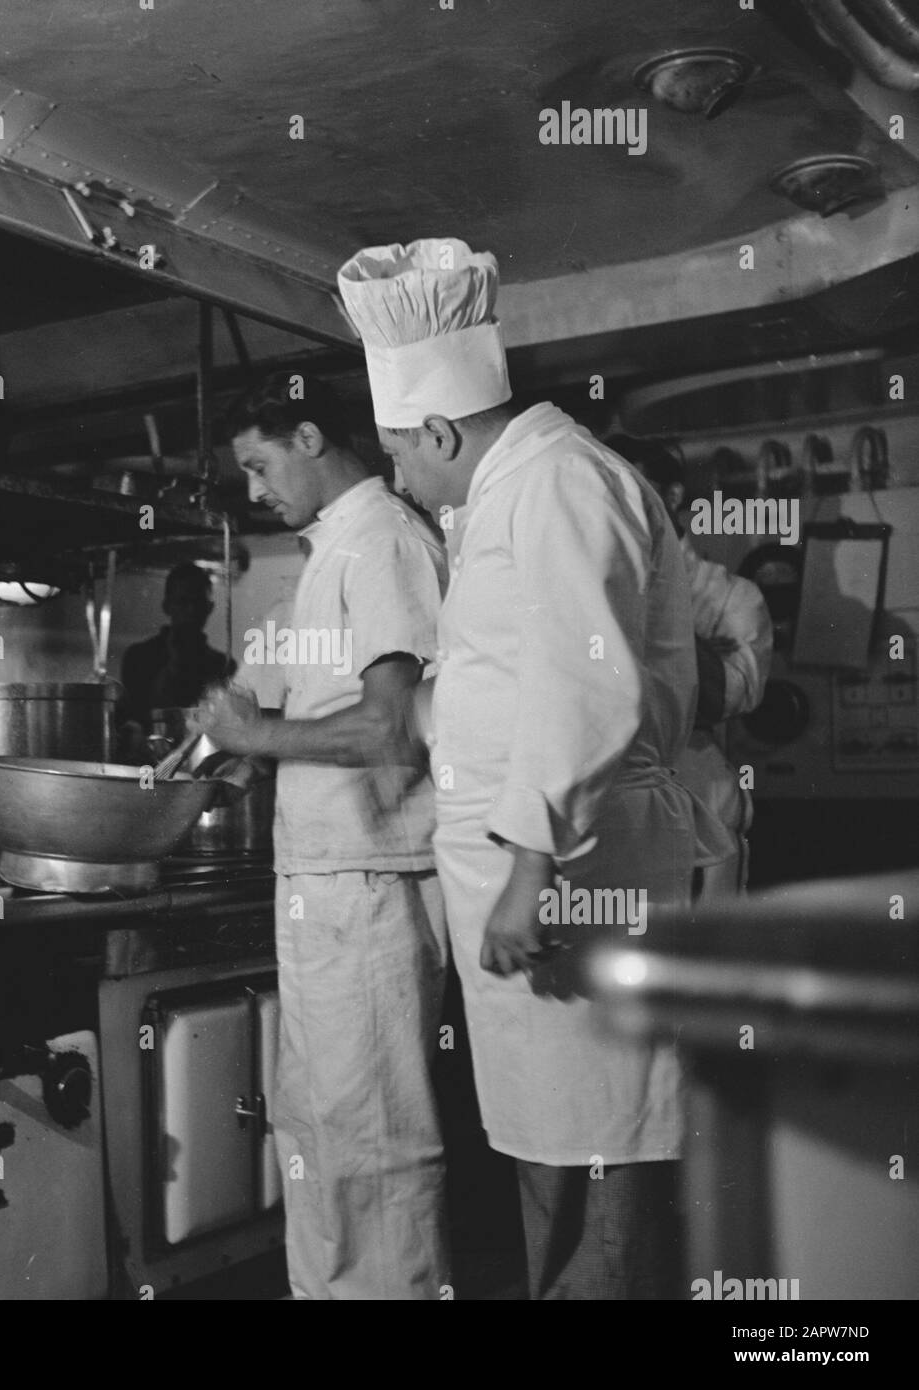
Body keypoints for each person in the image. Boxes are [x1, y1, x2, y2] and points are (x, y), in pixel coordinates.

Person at [337, 237, 735, 1300]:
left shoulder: (559, 483)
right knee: (548, 1151)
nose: (396, 476)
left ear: (435, 427)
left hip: (577, 883)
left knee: (608, 1158)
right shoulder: (512, 494)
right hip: (541, 892)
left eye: (397, 454)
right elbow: (512, 684)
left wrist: (527, 865)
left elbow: (582, 683)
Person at [195, 371, 450, 1300]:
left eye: (259, 465)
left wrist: (255, 737)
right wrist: (237, 747)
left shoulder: (383, 538)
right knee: (319, 1126)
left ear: (309, 437)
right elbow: (320, 707)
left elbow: (391, 727)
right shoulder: (333, 549)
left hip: (373, 881)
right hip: (327, 880)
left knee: (373, 1140)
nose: (253, 489)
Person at [607, 435, 773, 897]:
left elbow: (723, 699)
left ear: (674, 496)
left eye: (632, 485)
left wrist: (657, 616)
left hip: (702, 816)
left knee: (706, 962)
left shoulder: (733, 597)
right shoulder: (598, 584)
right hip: (611, 822)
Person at [117, 562, 233, 741]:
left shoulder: (222, 665)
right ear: (167, 605)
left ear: (209, 608)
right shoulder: (139, 658)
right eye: (183, 602)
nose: (191, 610)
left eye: (198, 602)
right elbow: (136, 717)